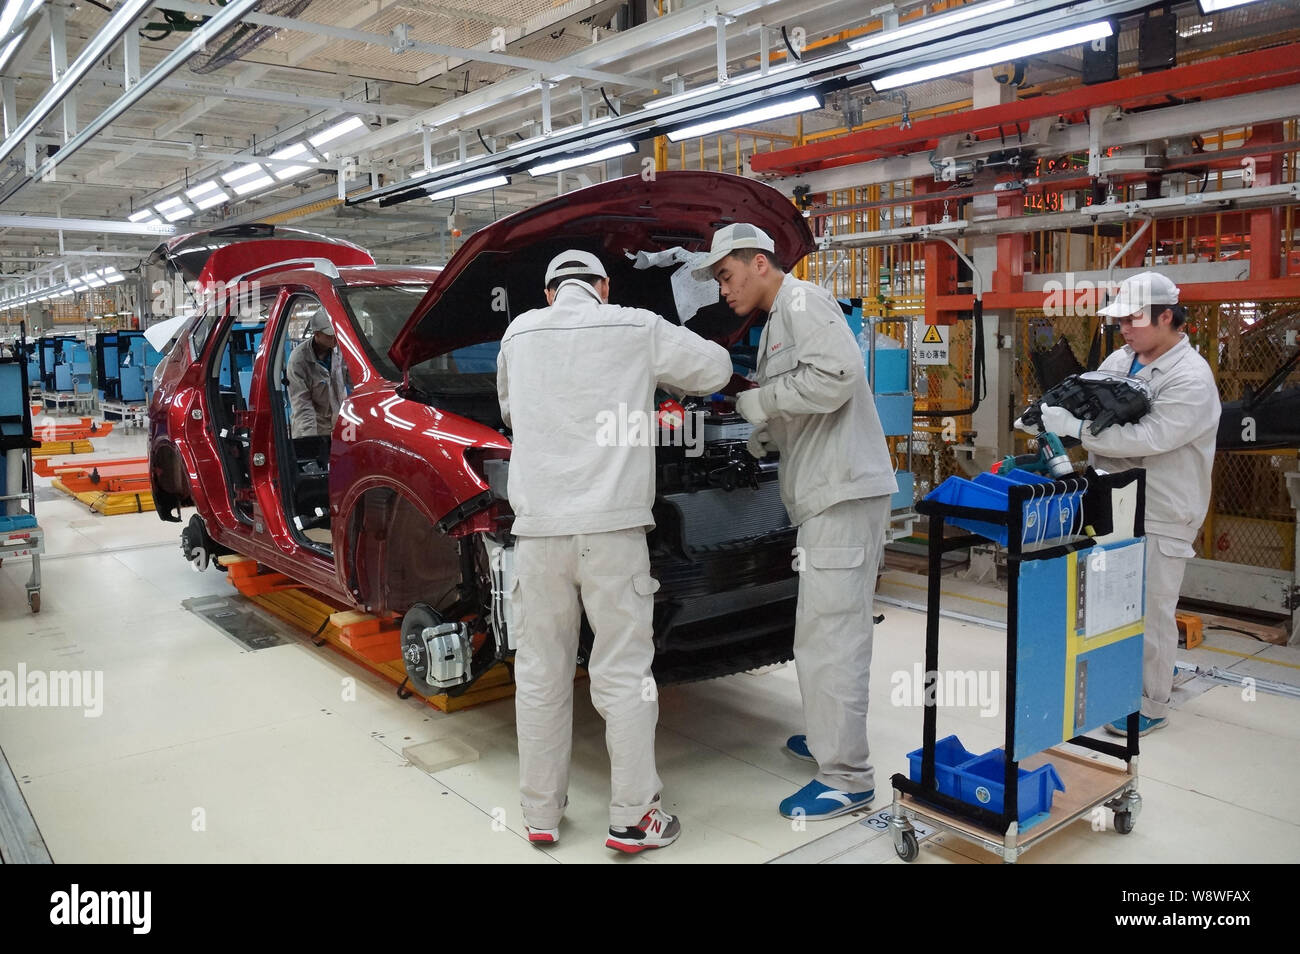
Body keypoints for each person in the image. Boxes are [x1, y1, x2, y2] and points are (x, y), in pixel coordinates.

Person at [497, 249, 733, 852]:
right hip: (613, 532)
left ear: (549, 292)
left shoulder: (518, 333)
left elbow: (509, 410)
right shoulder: (636, 324)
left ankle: (540, 814)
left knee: (541, 672)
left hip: (538, 534)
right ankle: (633, 818)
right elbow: (717, 370)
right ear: (603, 285)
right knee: (624, 674)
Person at [695, 223, 897, 820]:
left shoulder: (803, 301)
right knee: (826, 628)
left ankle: (848, 776)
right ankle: (831, 736)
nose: (723, 291)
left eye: (727, 276)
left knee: (830, 635)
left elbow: (836, 378)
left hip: (841, 494)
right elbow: (801, 399)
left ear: (760, 263)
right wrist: (758, 434)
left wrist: (758, 402)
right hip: (827, 494)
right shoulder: (777, 322)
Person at [1035, 271, 1220, 736]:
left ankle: (1152, 702)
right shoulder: (1124, 357)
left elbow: (1150, 437)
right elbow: (1094, 402)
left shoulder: (1191, 377)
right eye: (1119, 321)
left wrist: (1076, 430)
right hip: (1114, 498)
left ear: (1166, 316)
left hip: (1162, 507)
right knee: (1111, 599)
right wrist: (1053, 414)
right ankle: (1124, 683)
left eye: (1133, 320)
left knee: (1151, 605)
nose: (1125, 329)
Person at [286, 308, 345, 439]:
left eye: (335, 334)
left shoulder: (340, 351)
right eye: (329, 335)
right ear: (316, 334)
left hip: (339, 423)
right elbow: (302, 404)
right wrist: (310, 439)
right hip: (312, 426)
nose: (334, 338)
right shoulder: (298, 360)